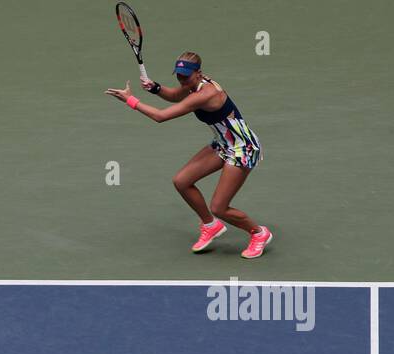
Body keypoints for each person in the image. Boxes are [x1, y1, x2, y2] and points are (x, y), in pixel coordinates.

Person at [107, 52, 271, 258]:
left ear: (198, 73)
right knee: (182, 181)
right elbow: (176, 95)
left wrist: (130, 100)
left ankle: (259, 233)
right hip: (223, 143)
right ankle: (210, 225)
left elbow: (161, 116)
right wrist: (156, 88)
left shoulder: (206, 94)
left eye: (186, 76)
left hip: (242, 147)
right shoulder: (194, 86)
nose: (182, 80)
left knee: (219, 207)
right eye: (179, 75)